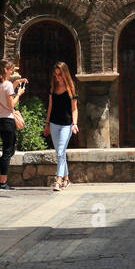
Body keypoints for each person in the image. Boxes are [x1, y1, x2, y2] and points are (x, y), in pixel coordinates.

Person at [0, 59, 26, 191]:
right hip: (8, 120)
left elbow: (3, 92)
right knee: (8, 152)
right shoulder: (8, 85)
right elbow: (11, 105)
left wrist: (16, 83)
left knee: (7, 151)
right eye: (11, 70)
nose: (12, 72)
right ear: (5, 70)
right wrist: (19, 94)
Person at [44, 61, 79, 191]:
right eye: (56, 75)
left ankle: (58, 180)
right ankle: (67, 178)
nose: (58, 78)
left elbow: (74, 109)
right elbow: (50, 107)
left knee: (60, 152)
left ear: (65, 74)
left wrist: (74, 124)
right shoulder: (53, 88)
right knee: (61, 153)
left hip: (67, 125)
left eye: (60, 75)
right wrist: (47, 124)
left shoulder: (71, 88)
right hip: (53, 124)